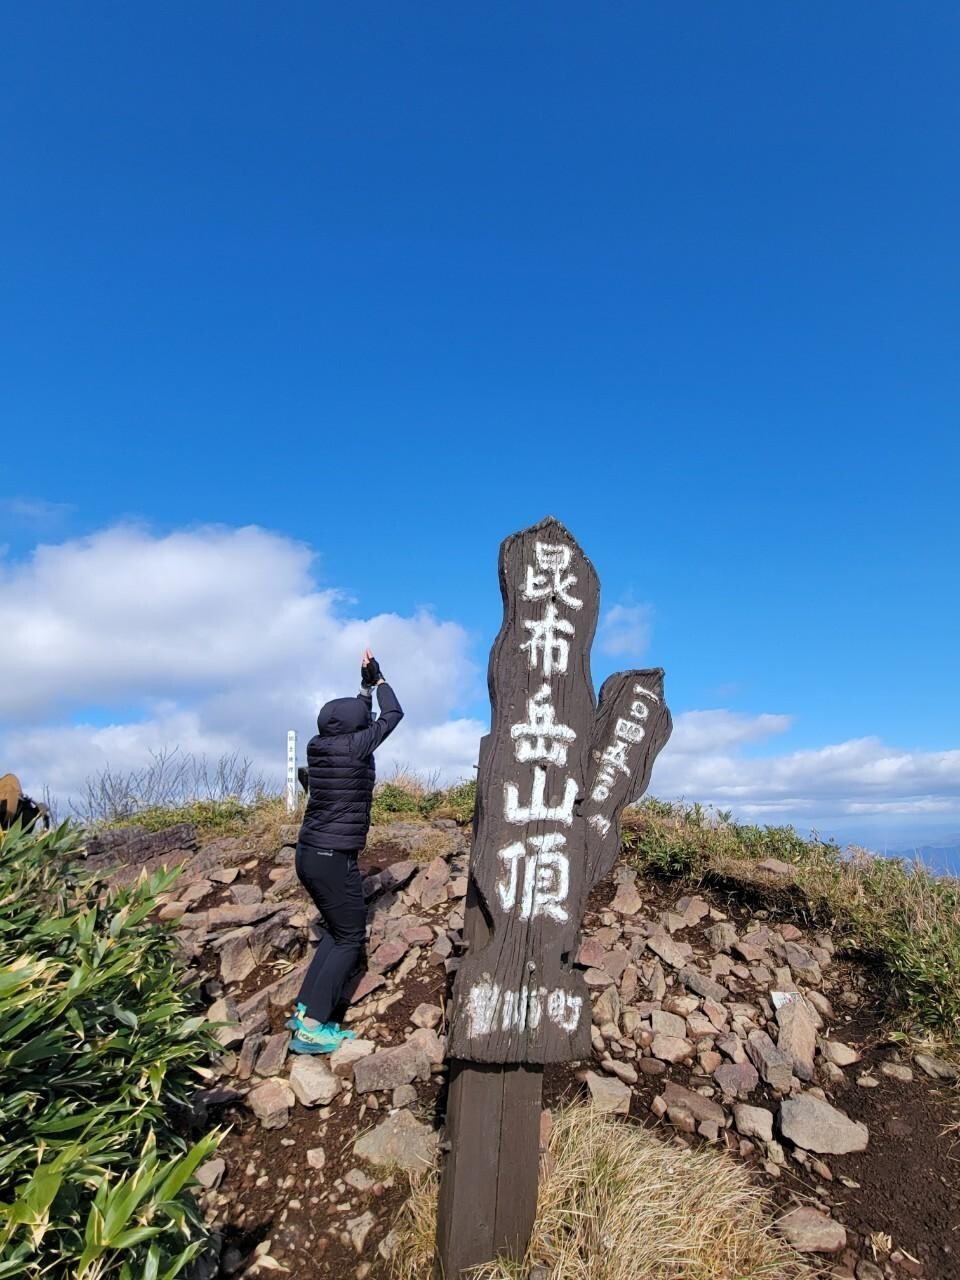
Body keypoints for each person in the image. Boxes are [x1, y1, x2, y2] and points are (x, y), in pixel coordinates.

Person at [287, 649, 403, 1054]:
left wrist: (364, 687)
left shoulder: (319, 748)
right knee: (351, 936)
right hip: (333, 858)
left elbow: (363, 717)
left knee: (336, 933)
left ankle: (305, 1011)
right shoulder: (357, 749)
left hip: (308, 854)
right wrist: (382, 680)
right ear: (357, 730)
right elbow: (393, 715)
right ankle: (314, 1028)